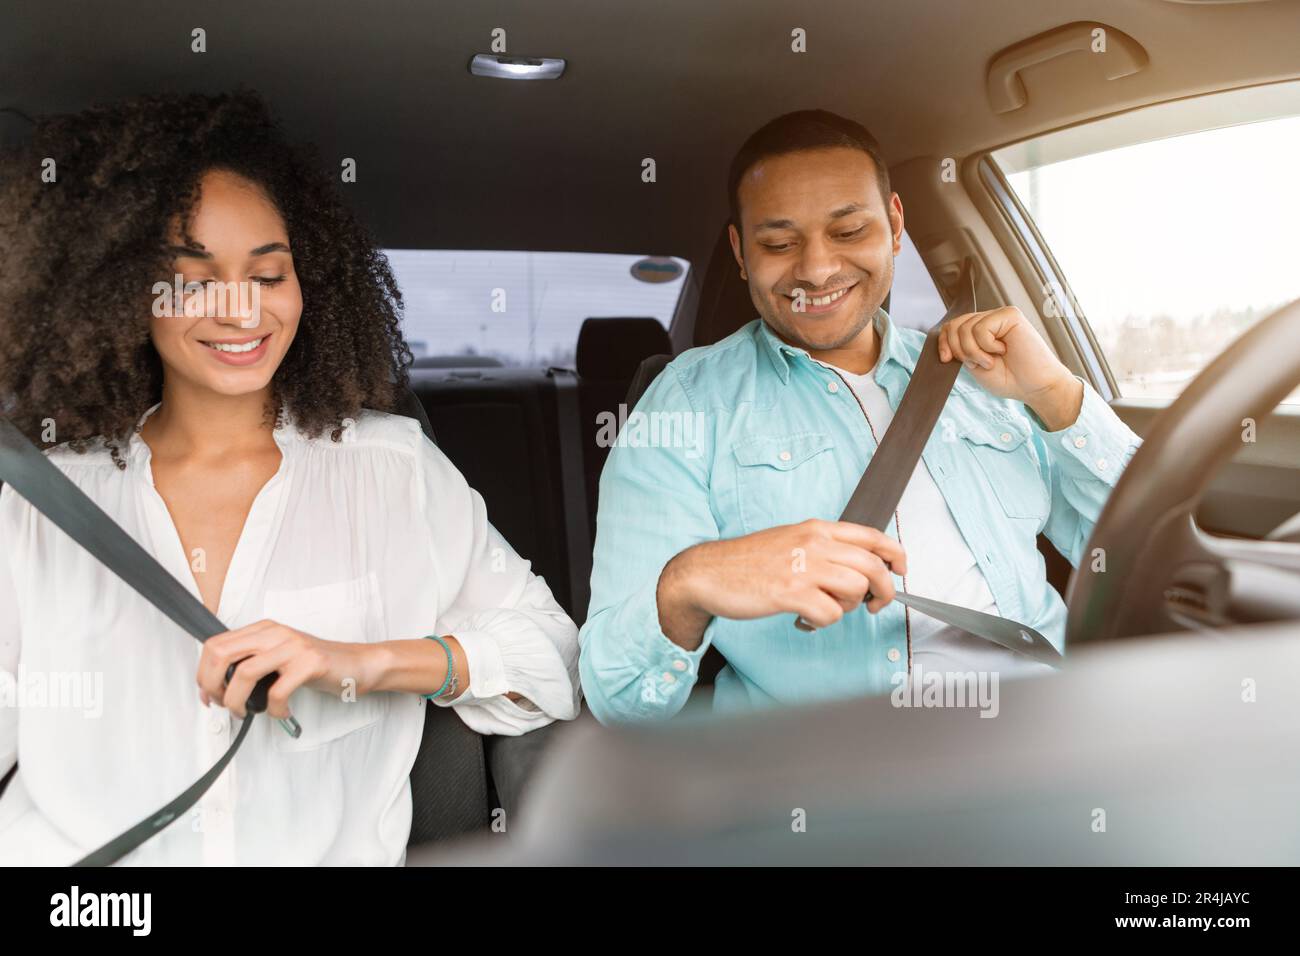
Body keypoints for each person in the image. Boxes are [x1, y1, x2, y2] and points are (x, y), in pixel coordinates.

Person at [0, 90, 580, 865]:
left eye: (269, 275)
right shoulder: (43, 497)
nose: (242, 311)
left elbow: (553, 659)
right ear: (126, 294)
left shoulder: (393, 472)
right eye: (194, 279)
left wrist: (368, 661)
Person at [579, 110, 1142, 722]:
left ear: (895, 225)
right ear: (741, 252)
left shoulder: (982, 374)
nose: (817, 269)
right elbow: (622, 703)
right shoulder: (684, 406)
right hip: (833, 774)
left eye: (848, 232)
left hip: (1043, 729)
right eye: (778, 242)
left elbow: (1138, 557)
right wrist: (692, 581)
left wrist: (1057, 394)